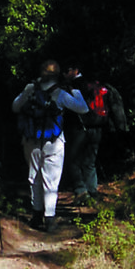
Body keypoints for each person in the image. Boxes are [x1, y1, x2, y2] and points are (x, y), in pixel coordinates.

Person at [12, 59, 87, 232]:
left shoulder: (30, 89)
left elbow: (15, 107)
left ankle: (36, 215)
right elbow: (82, 108)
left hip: (31, 140)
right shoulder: (60, 93)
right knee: (51, 181)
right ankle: (50, 219)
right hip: (54, 142)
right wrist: (74, 89)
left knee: (34, 177)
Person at [63, 66, 125, 200]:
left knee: (73, 160)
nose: (64, 74)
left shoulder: (73, 86)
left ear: (73, 71)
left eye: (66, 70)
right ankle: (92, 190)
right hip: (98, 127)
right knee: (90, 161)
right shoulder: (99, 85)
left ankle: (81, 190)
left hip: (79, 128)